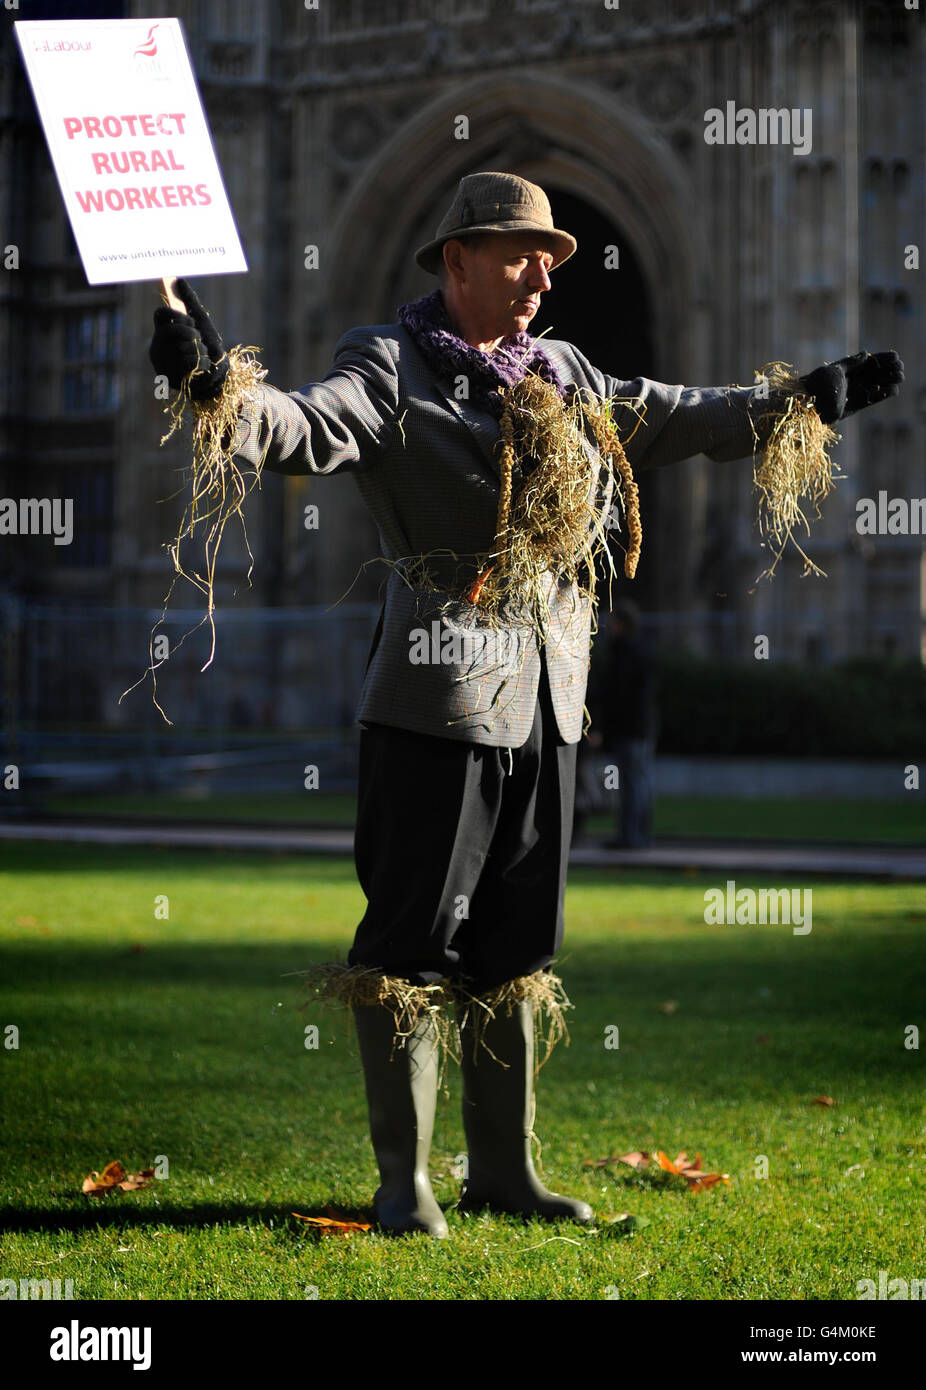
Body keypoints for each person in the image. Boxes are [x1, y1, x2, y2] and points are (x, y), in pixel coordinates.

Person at [148, 171, 903, 1238]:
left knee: (517, 941)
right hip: (437, 699)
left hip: (549, 697)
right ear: (456, 261)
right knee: (409, 944)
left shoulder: (563, 369)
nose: (541, 274)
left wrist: (791, 402)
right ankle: (403, 1185)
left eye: (549, 257)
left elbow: (672, 415)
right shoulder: (389, 362)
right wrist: (213, 386)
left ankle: (503, 1172)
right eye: (518, 253)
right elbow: (300, 428)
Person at [588, 599, 658, 849]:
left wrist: (602, 728)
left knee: (632, 784)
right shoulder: (641, 649)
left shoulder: (624, 652)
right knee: (640, 783)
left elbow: (616, 694)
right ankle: (638, 834)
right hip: (640, 728)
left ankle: (630, 837)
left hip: (629, 729)